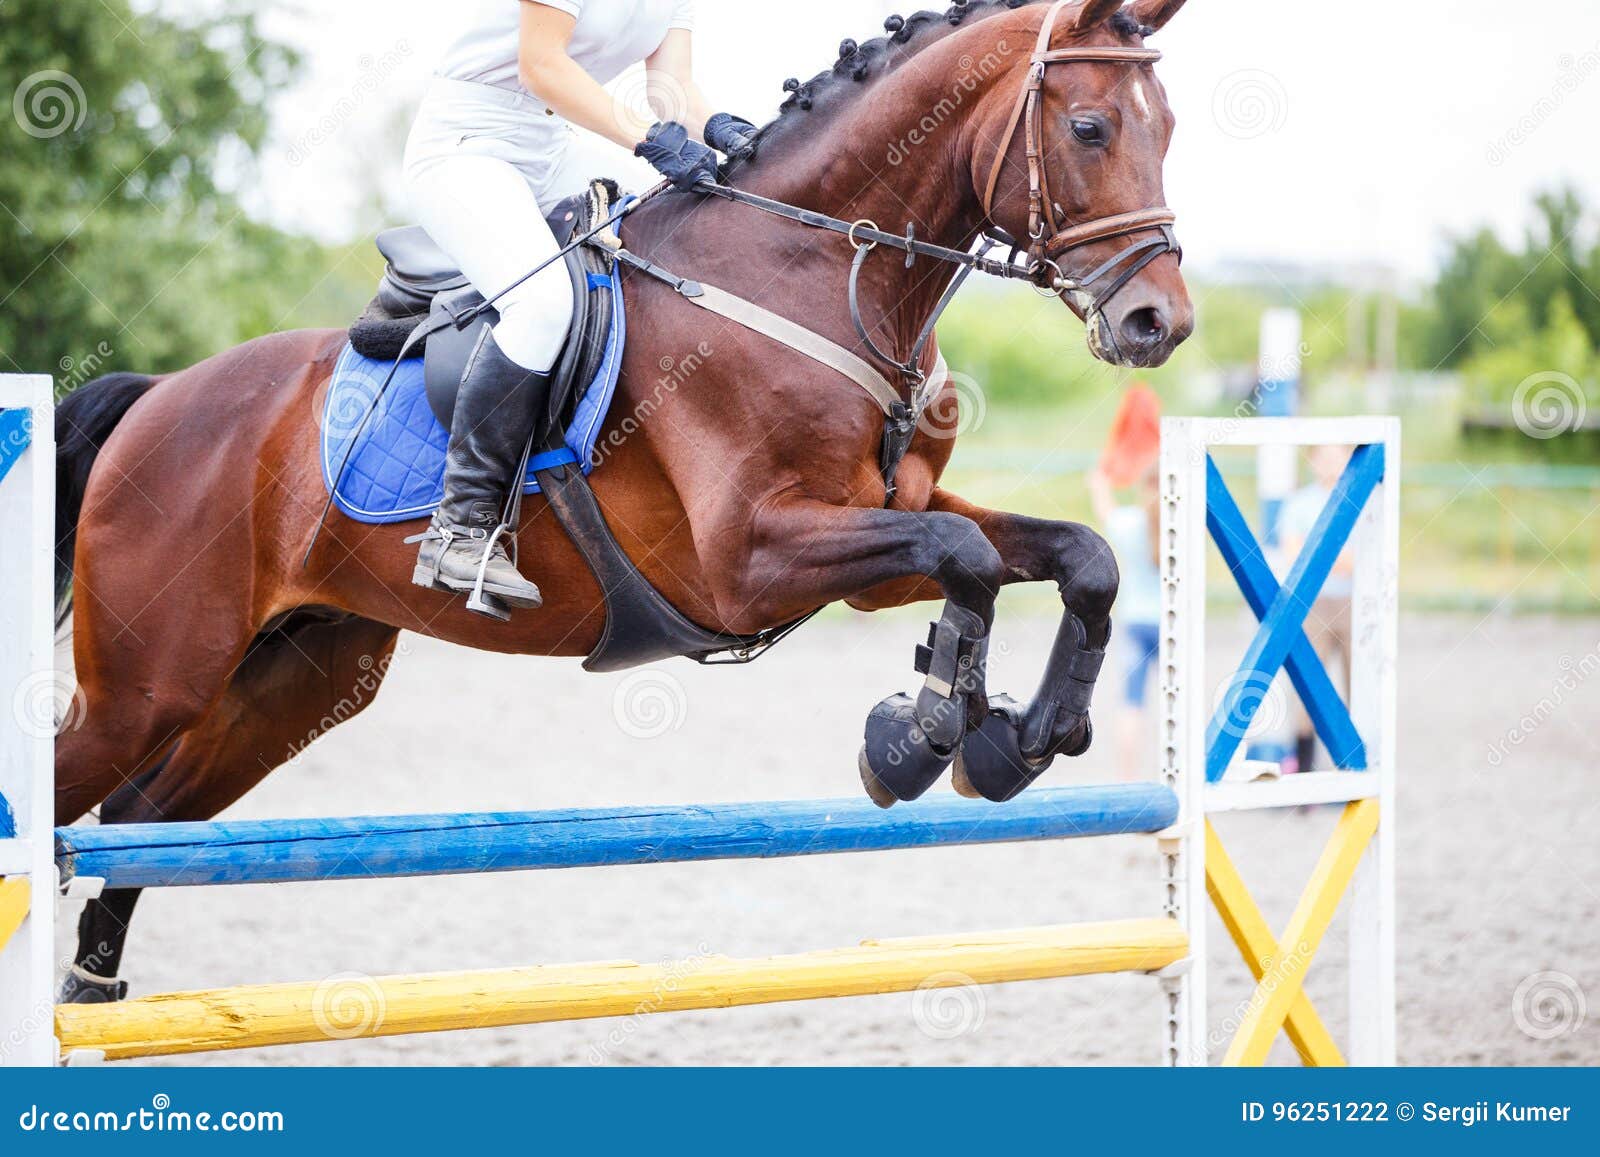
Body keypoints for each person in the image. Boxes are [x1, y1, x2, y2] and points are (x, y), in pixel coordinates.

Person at [402, 0, 757, 616]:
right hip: (467, 142)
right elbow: (542, 65)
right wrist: (650, 140)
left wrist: (729, 133)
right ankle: (460, 525)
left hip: (552, 146)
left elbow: (670, 89)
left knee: (683, 230)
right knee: (541, 306)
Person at [1280, 443, 1355, 773]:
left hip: (1355, 602)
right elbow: (1295, 557)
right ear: (1311, 461)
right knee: (1308, 688)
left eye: (1337, 455)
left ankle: (1356, 771)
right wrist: (1339, 559)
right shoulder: (1299, 504)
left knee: (1361, 686)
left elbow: (1362, 559)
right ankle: (1305, 772)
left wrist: (1321, 556)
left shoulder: (1361, 497)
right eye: (1323, 457)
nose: (1330, 463)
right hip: (1313, 605)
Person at [1090, 462, 1162, 782]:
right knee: (1180, 702)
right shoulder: (1183, 525)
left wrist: (1098, 482)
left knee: (1131, 703)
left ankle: (1127, 776)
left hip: (1135, 622)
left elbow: (1106, 509)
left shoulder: (1131, 522)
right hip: (1172, 623)